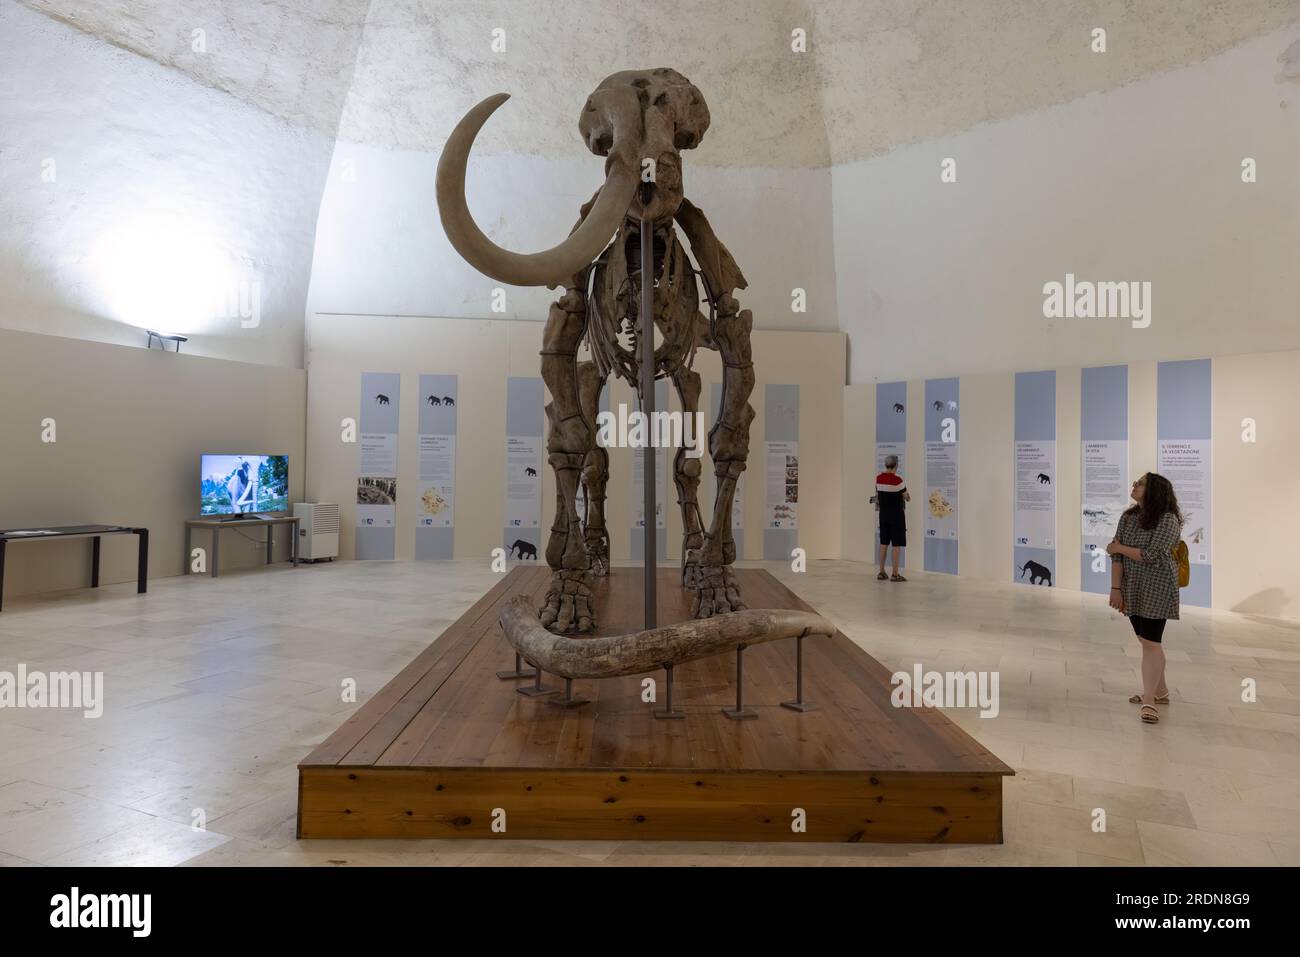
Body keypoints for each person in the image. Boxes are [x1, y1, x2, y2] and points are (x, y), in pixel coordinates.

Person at [1106, 472, 1183, 725]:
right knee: (1145, 639)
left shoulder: (1168, 519)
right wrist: (1115, 589)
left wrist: (1119, 548)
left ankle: (1149, 699)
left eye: (1140, 484)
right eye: (1135, 483)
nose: (1134, 486)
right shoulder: (1128, 517)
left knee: (1151, 641)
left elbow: (1153, 555)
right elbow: (1116, 556)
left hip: (1158, 586)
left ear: (1154, 491)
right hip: (1132, 586)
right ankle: (1160, 690)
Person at [874, 454, 910, 582]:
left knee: (883, 543)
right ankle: (895, 574)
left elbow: (878, 494)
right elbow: (907, 497)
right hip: (897, 517)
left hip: (883, 516)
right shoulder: (898, 481)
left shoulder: (878, 478)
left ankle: (881, 571)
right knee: (896, 544)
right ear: (896, 465)